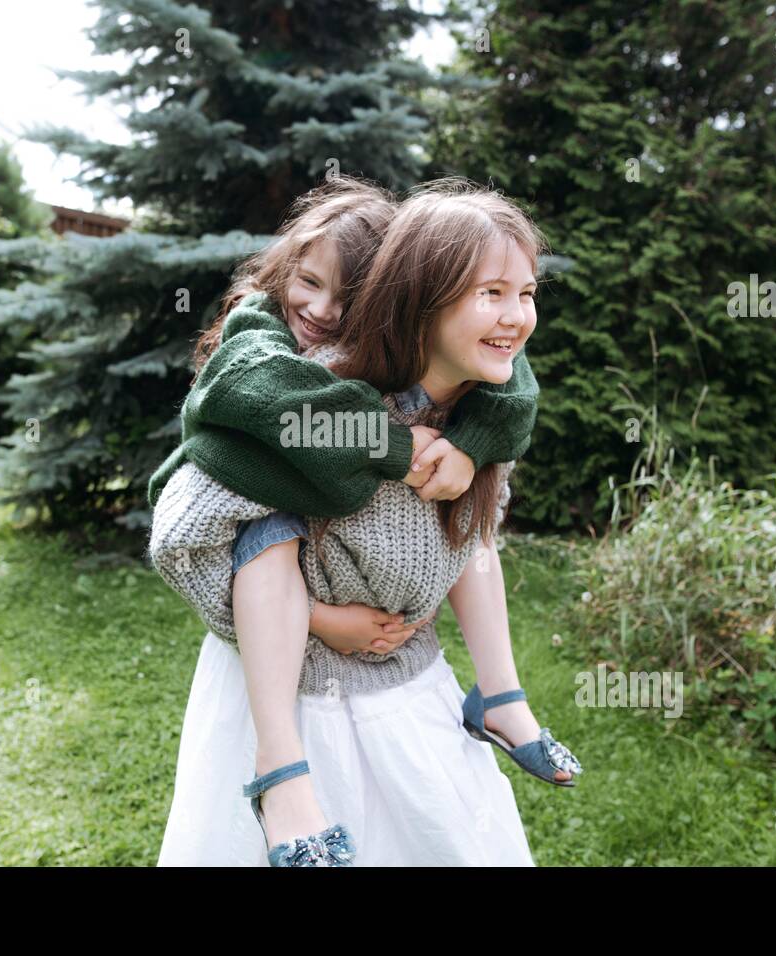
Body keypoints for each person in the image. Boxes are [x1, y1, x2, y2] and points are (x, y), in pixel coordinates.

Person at [149, 178, 582, 866]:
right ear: (417, 300)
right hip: (289, 683)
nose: (321, 310)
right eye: (491, 293)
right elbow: (200, 502)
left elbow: (514, 383)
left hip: (408, 685)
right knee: (267, 533)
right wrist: (322, 617)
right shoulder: (295, 376)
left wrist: (469, 453)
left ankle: (500, 694)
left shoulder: (474, 396)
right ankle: (280, 774)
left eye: (525, 293)